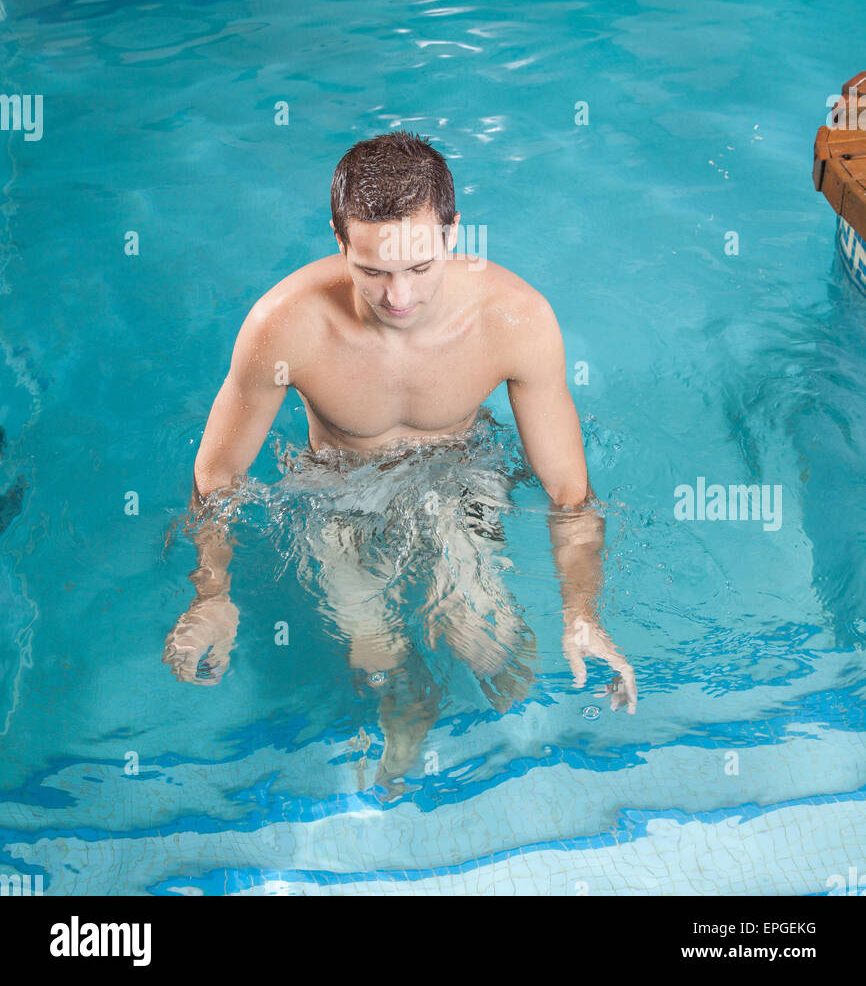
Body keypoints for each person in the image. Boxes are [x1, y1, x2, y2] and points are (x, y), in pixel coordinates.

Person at [164, 131, 636, 784]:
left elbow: (568, 494)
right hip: (337, 488)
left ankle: (530, 745)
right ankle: (407, 702)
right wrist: (211, 591)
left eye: (419, 267)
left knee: (487, 641)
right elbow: (217, 478)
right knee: (374, 655)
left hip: (459, 472)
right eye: (374, 271)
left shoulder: (515, 319)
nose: (399, 298)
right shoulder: (286, 326)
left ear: (452, 234)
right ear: (339, 239)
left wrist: (582, 614)